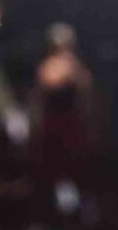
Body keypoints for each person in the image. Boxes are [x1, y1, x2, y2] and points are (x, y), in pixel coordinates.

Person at [30, 24, 96, 216]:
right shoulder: (51, 68)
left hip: (72, 132)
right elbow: (38, 103)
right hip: (54, 134)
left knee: (74, 177)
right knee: (56, 179)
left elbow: (88, 102)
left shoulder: (77, 70)